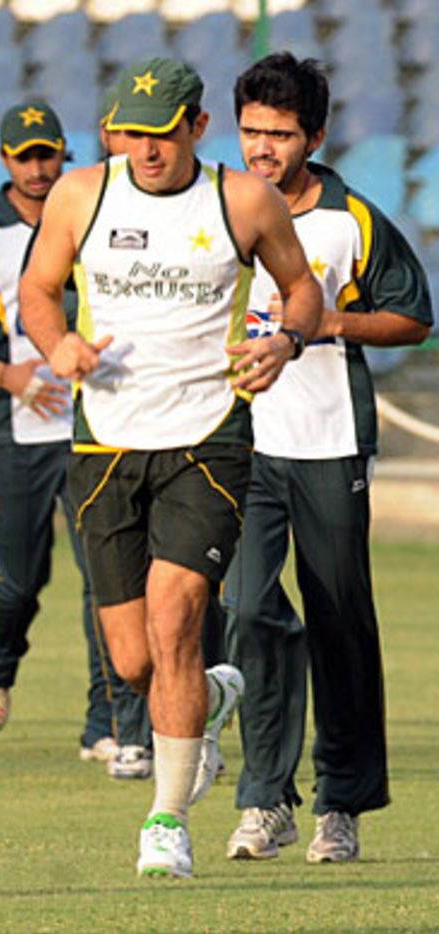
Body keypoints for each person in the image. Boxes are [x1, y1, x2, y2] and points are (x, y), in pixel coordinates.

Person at [19, 56, 323, 878]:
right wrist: (60, 345)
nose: (146, 151)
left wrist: (285, 341)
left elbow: (302, 291)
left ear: (195, 128)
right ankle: (214, 697)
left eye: (162, 133)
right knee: (133, 659)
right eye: (132, 133)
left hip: (208, 436)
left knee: (177, 616)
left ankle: (168, 819)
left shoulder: (243, 200)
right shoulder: (82, 195)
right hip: (105, 441)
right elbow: (38, 292)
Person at [223, 52, 432, 864]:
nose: (263, 149)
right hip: (239, 444)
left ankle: (340, 804)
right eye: (250, 132)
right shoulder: (222, 207)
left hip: (328, 443)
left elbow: (413, 318)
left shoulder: (353, 219)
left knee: (339, 618)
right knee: (245, 610)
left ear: (315, 135)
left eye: (279, 134)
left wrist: (327, 323)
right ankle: (264, 796)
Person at [0, 100, 129, 763]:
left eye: (49, 154)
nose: (40, 169)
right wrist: (5, 375)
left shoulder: (101, 212)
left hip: (96, 425)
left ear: (67, 152)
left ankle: (108, 720)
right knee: (21, 578)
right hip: (12, 435)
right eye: (26, 157)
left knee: (107, 576)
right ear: (6, 160)